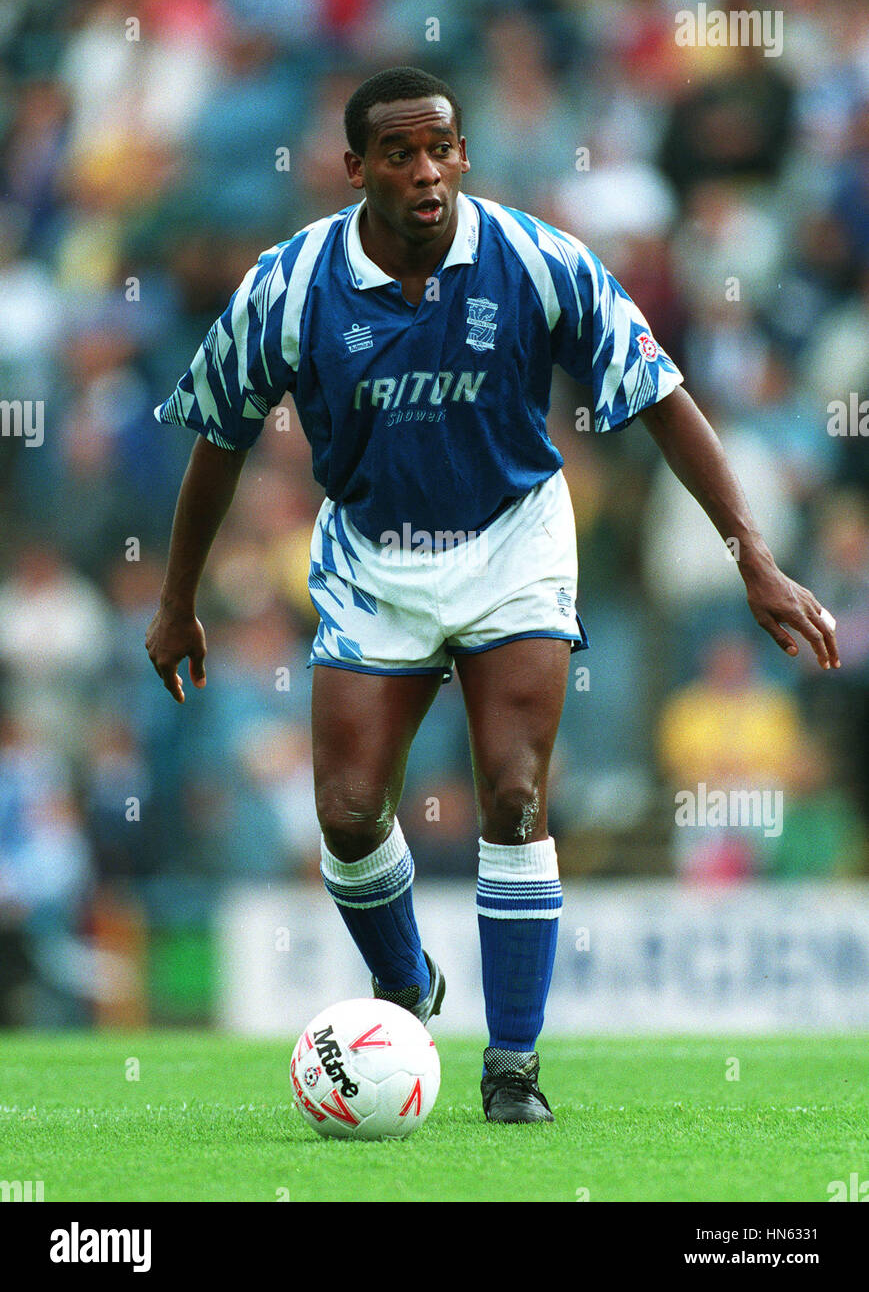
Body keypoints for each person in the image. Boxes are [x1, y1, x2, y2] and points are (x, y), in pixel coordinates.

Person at [146, 67, 840, 1124]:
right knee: (343, 813)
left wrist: (750, 550)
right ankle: (404, 981)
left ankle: (510, 1065)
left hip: (512, 542)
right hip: (373, 559)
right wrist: (175, 598)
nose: (425, 171)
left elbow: (658, 394)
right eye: (399, 153)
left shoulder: (532, 258)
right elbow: (219, 441)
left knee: (512, 794)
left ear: (462, 154)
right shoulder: (287, 285)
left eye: (441, 149)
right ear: (355, 168)